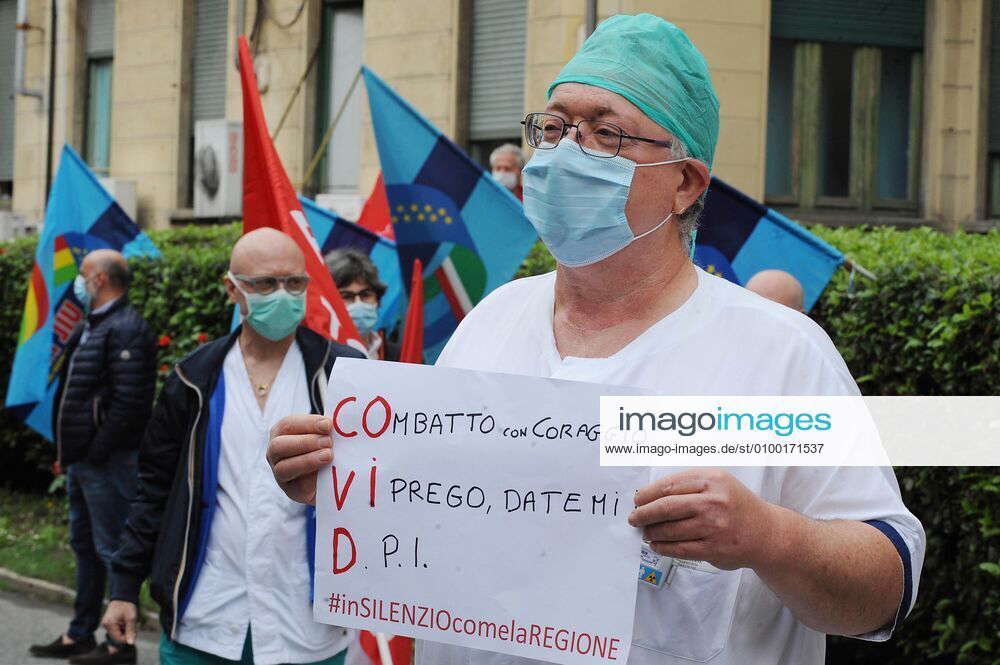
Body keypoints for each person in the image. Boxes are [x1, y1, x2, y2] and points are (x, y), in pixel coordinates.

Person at [264, 14, 925, 665]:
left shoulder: (778, 354)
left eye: (606, 134)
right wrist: (351, 485)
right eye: (553, 129)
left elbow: (885, 589)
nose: (564, 155)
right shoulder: (492, 322)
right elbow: (443, 525)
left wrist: (768, 536)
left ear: (685, 182)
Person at [100, 228, 365, 665]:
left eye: (294, 282)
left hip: (308, 625)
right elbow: (155, 489)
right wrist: (124, 587)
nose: (283, 295)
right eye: (265, 284)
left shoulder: (344, 374)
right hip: (204, 622)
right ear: (232, 289)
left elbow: (377, 489)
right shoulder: (193, 379)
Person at [30, 250, 156, 665]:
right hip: (84, 462)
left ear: (100, 279)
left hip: (108, 462)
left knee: (111, 547)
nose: (78, 282)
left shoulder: (127, 328)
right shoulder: (94, 324)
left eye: (83, 274)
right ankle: (80, 633)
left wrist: (96, 451)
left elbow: (130, 404)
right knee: (85, 545)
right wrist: (70, 453)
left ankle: (120, 644)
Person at [325, 249, 399, 361]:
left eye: (365, 294)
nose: (358, 303)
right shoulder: (320, 356)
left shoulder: (402, 355)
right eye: (347, 296)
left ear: (378, 299)